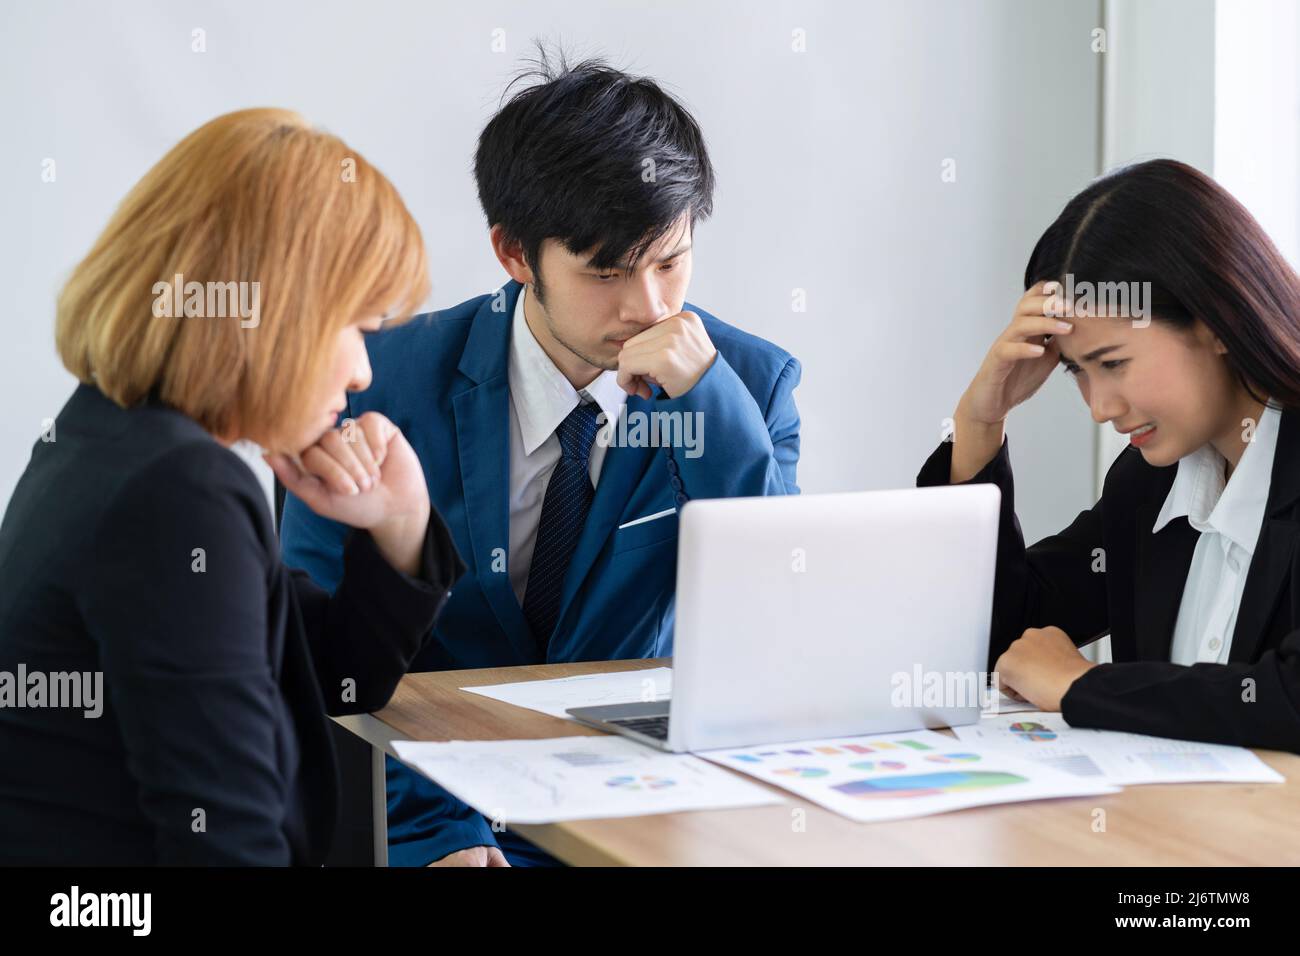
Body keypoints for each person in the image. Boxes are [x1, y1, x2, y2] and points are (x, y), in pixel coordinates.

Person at [281, 54, 803, 865]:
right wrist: (435, 835)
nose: (650, 309)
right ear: (514, 254)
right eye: (606, 273)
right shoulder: (376, 384)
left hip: (639, 821)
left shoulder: (747, 389)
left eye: (671, 262)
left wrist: (709, 405)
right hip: (431, 816)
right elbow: (320, 668)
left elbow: (774, 626)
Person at [0, 108, 465, 864]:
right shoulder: (178, 488)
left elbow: (332, 679)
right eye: (356, 327)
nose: (362, 373)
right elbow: (230, 844)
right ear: (274, 310)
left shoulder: (104, 438)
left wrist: (400, 520)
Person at [919, 158, 1300, 752]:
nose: (1098, 407)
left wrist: (1085, 686)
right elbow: (1004, 633)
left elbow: (1288, 698)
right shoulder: (1152, 482)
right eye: (1077, 372)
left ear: (1218, 323)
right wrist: (980, 422)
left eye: (1114, 363)